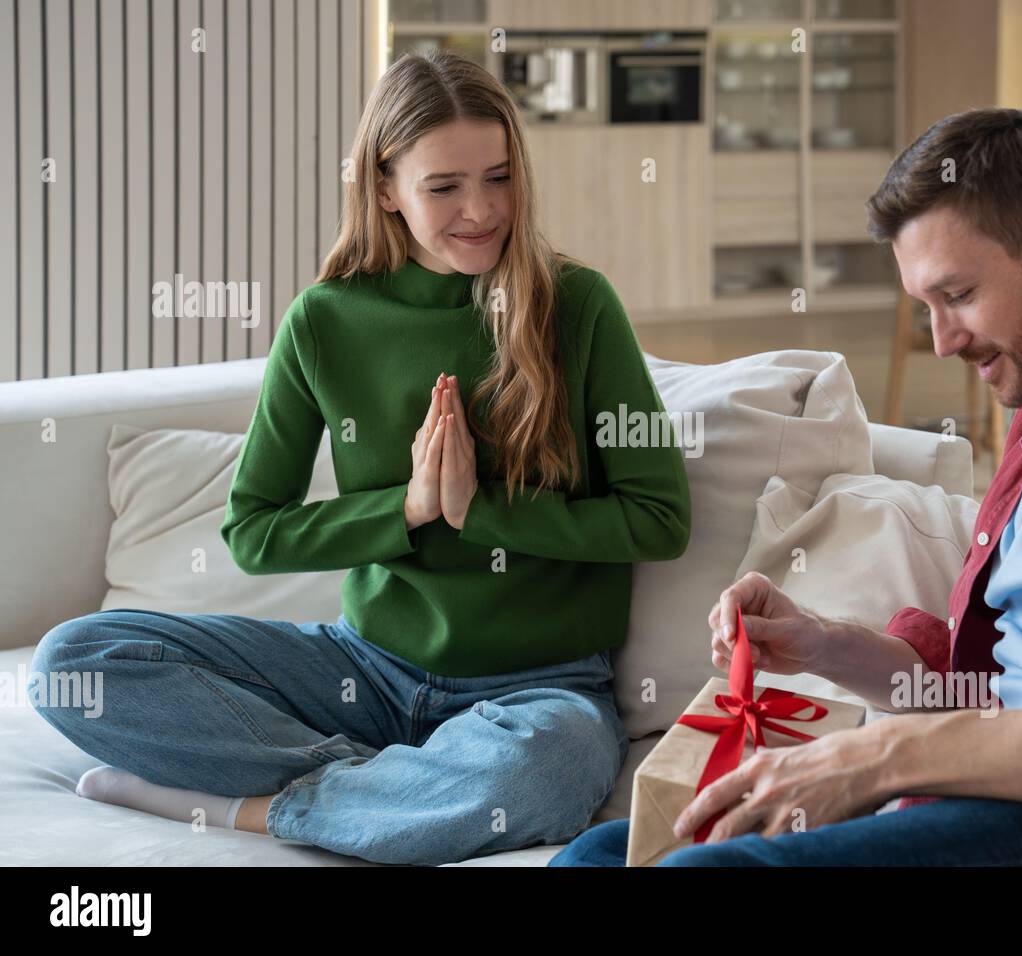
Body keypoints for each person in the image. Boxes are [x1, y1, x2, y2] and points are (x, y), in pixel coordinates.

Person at [551, 107, 1022, 867]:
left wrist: (884, 757)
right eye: (928, 308)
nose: (943, 341)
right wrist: (825, 644)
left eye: (960, 294)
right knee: (602, 857)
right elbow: (983, 686)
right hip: (977, 780)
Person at [27, 51, 690, 867]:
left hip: (539, 691)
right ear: (384, 188)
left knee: (552, 768)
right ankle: (390, 789)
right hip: (364, 672)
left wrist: (479, 509)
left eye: (499, 176)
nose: (481, 210)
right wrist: (408, 509)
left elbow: (659, 520)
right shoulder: (325, 320)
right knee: (73, 662)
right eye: (444, 186)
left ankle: (266, 806)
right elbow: (254, 532)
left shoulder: (578, 304)